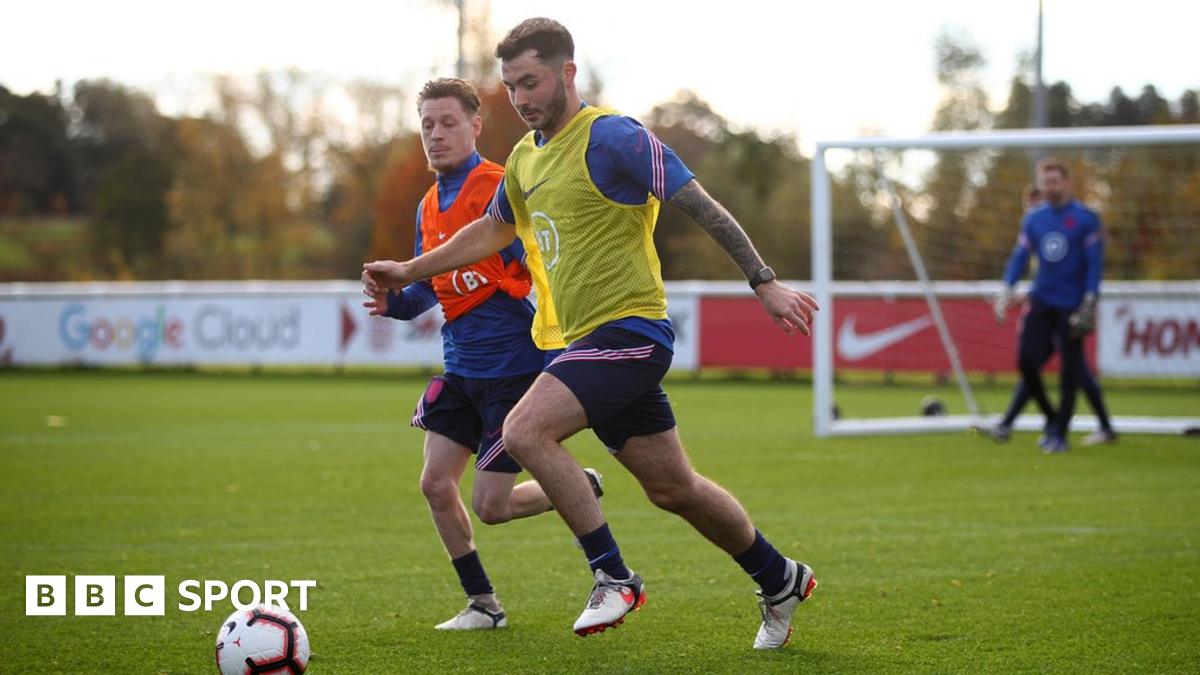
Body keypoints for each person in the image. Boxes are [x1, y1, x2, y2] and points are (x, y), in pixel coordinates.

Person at [363, 18, 820, 650]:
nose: (521, 98)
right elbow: (491, 234)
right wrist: (409, 270)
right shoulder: (525, 158)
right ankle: (780, 577)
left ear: (567, 72)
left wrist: (762, 280)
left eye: (532, 81)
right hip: (578, 344)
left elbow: (701, 204)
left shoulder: (613, 137)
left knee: (525, 430)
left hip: (630, 328)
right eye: (512, 86)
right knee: (673, 488)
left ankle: (613, 575)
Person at [362, 77, 602, 631]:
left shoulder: (501, 185)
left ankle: (574, 484)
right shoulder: (428, 205)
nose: (436, 135)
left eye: (448, 123)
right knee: (434, 483)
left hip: (515, 369)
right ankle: (483, 604)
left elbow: (540, 260)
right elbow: (426, 289)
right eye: (426, 124)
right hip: (462, 366)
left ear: (475, 125)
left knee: (491, 507)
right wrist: (391, 302)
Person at [992, 159, 1106, 453]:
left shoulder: (1086, 218)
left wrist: (1090, 299)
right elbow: (1020, 256)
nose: (1050, 187)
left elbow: (1094, 263)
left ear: (1067, 182)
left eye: (1055, 181)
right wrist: (1007, 287)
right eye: (1046, 182)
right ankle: (1051, 418)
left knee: (1070, 371)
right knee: (1026, 361)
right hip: (1041, 301)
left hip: (1071, 305)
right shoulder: (1034, 219)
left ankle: (1059, 434)